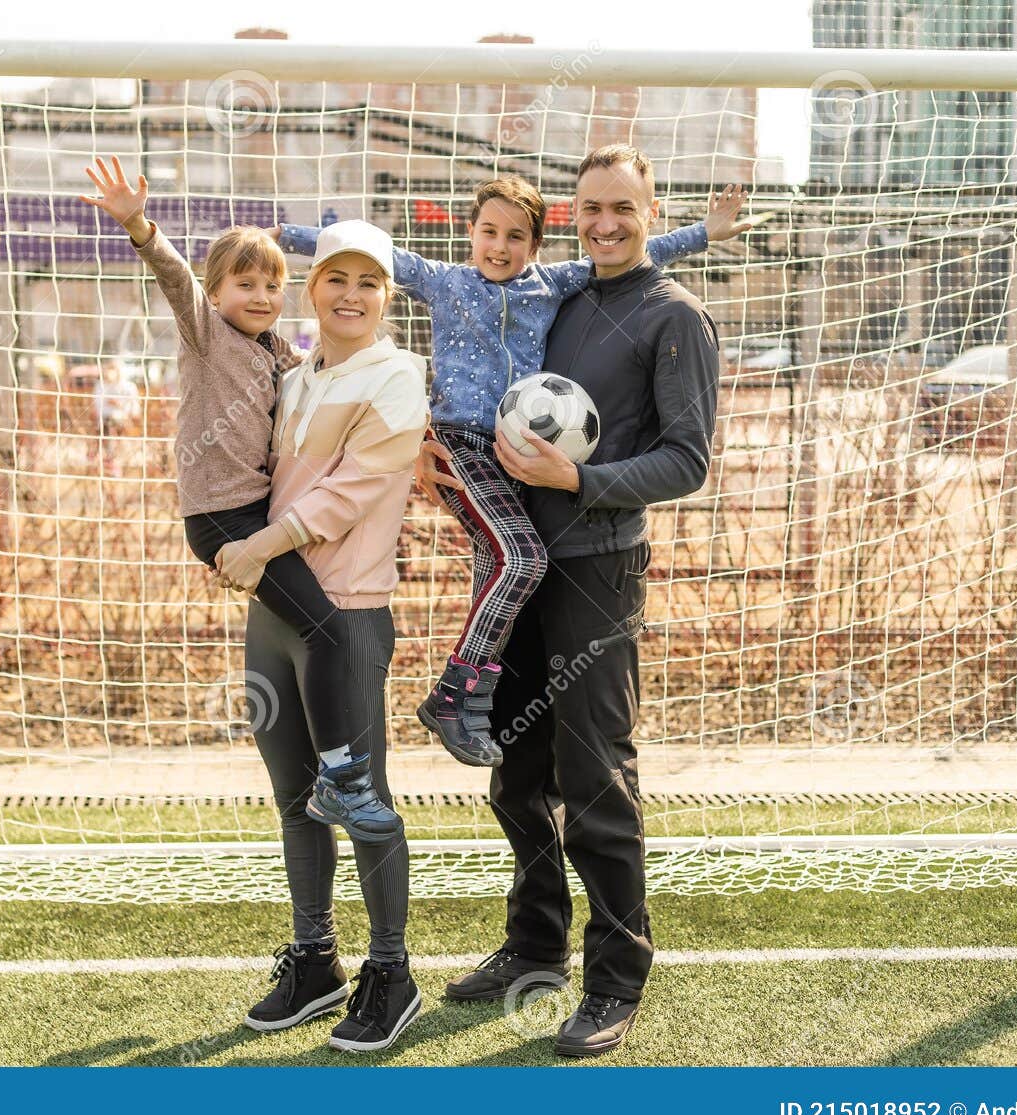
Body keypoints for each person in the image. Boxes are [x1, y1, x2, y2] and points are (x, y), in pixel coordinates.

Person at [274, 177, 752, 768]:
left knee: (499, 564)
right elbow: (377, 254)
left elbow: (638, 251)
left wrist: (707, 233)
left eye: (516, 237)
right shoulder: (445, 282)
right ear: (470, 233)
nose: (499, 247)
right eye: (488, 232)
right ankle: (456, 690)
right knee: (522, 559)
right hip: (459, 445)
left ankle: (473, 699)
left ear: (535, 244)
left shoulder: (551, 285)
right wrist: (288, 237)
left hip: (512, 450)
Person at [426, 146, 723, 1057]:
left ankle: (616, 976)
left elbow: (688, 459)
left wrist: (579, 474)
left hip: (599, 568)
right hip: (519, 563)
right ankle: (534, 945)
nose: (605, 223)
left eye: (622, 208)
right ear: (573, 214)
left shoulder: (675, 317)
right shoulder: (553, 298)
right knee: (516, 772)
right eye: (590, 208)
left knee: (596, 778)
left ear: (649, 210)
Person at [80, 157, 399, 842]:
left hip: (258, 517)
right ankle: (341, 777)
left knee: (322, 633)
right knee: (328, 630)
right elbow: (171, 274)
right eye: (243, 283)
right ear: (216, 291)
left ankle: (333, 773)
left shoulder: (280, 352)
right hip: (219, 514)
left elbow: (328, 383)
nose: (259, 294)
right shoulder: (207, 334)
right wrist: (138, 223)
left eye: (271, 284)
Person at [213, 219, 430, 1051]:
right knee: (295, 795)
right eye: (336, 278)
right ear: (314, 289)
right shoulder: (293, 374)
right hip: (273, 613)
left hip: (346, 615)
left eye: (368, 282)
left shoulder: (399, 376)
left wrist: (258, 545)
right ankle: (315, 961)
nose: (351, 294)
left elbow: (350, 491)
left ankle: (392, 971)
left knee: (361, 796)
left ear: (386, 297)